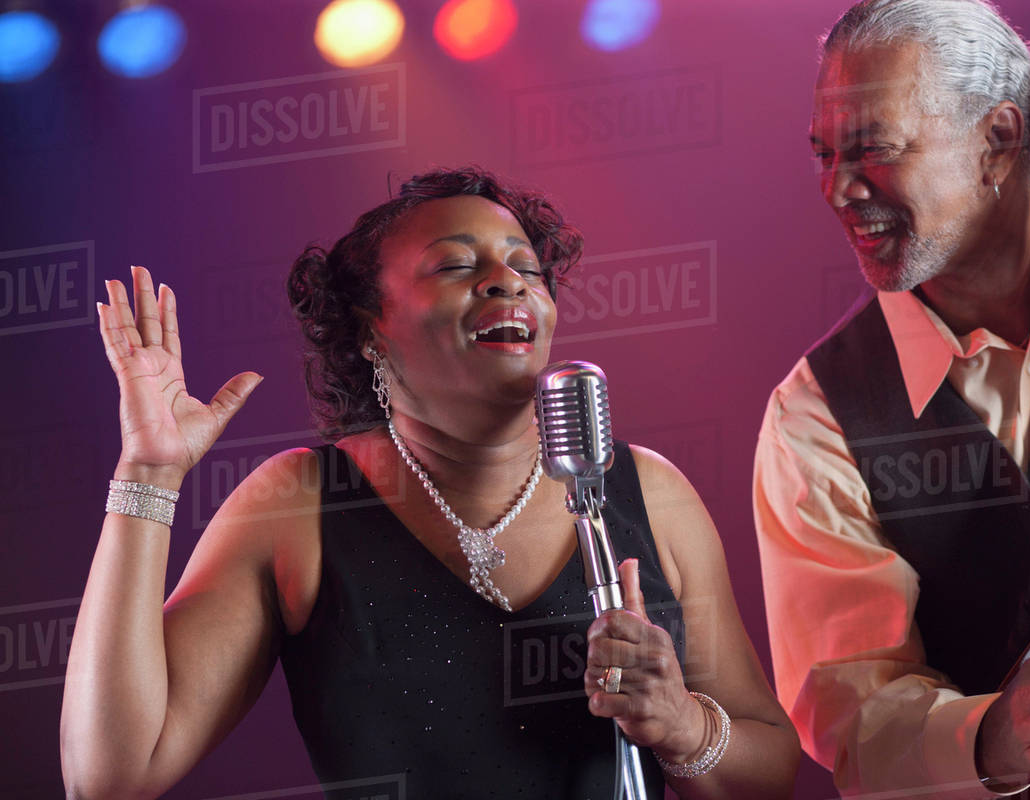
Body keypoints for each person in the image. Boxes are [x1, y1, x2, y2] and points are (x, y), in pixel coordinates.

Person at [61, 167, 801, 799]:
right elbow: (111, 774)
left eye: (527, 268)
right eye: (454, 266)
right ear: (370, 328)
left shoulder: (649, 493)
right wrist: (148, 475)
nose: (506, 281)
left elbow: (770, 770)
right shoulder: (295, 507)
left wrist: (683, 727)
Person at [753, 0, 1030, 797]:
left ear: (997, 139)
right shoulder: (815, 414)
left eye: (873, 148)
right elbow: (856, 709)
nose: (838, 188)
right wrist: (991, 735)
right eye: (824, 153)